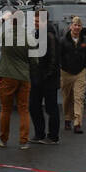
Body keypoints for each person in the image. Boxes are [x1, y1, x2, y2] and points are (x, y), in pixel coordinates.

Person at [0, 9, 32, 150]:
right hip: (24, 77)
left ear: (12, 21)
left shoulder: (6, 35)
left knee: (6, 109)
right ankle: (24, 141)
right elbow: (34, 59)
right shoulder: (29, 37)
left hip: (8, 76)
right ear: (23, 21)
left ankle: (3, 139)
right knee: (24, 110)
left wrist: (2, 19)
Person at [28, 9, 61, 144]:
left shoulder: (49, 35)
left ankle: (53, 137)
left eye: (37, 20)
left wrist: (46, 75)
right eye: (34, 20)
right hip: (37, 78)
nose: (35, 22)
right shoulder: (37, 34)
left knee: (51, 108)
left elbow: (53, 58)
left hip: (48, 79)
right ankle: (39, 134)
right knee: (34, 106)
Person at [59, 16, 86, 133]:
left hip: (80, 72)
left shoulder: (85, 40)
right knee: (67, 98)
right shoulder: (63, 40)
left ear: (81, 28)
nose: (76, 27)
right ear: (71, 26)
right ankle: (67, 119)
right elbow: (58, 57)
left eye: (79, 25)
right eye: (75, 25)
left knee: (79, 98)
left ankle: (77, 124)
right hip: (66, 73)